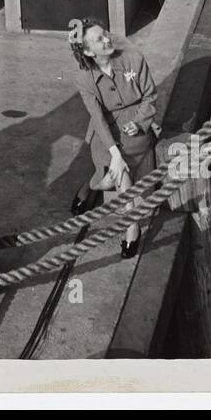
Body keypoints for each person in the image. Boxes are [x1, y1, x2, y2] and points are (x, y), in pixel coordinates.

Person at [70, 17, 159, 259]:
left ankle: (131, 227)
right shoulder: (83, 77)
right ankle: (91, 186)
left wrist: (140, 122)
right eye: (99, 40)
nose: (107, 39)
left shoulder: (133, 59)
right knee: (112, 176)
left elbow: (150, 97)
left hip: (135, 128)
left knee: (120, 174)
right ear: (88, 51)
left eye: (105, 34)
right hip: (106, 133)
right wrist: (114, 152)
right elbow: (97, 118)